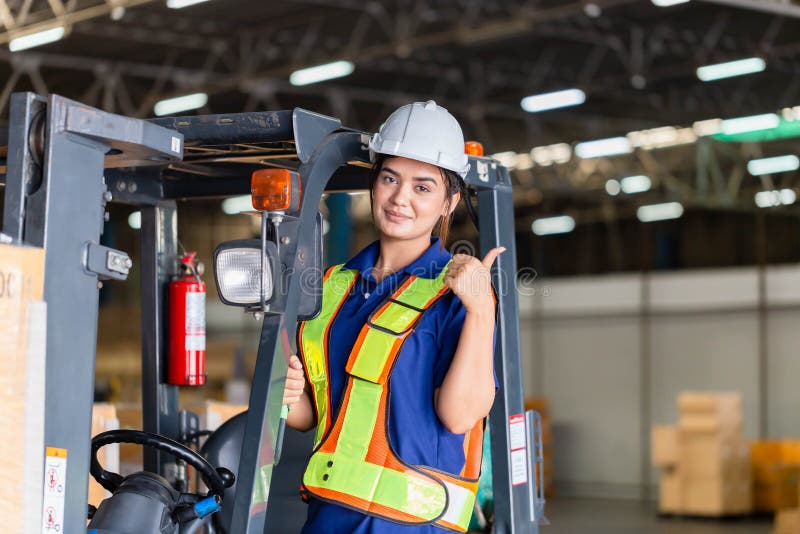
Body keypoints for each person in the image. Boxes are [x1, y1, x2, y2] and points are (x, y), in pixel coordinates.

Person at [282, 100, 502, 533]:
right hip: (327, 517)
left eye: (423, 187)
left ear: (449, 201)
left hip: (410, 526)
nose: (400, 198)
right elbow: (315, 415)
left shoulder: (455, 295)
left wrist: (481, 310)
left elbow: (460, 416)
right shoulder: (332, 287)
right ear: (373, 184)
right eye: (389, 179)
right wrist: (288, 396)